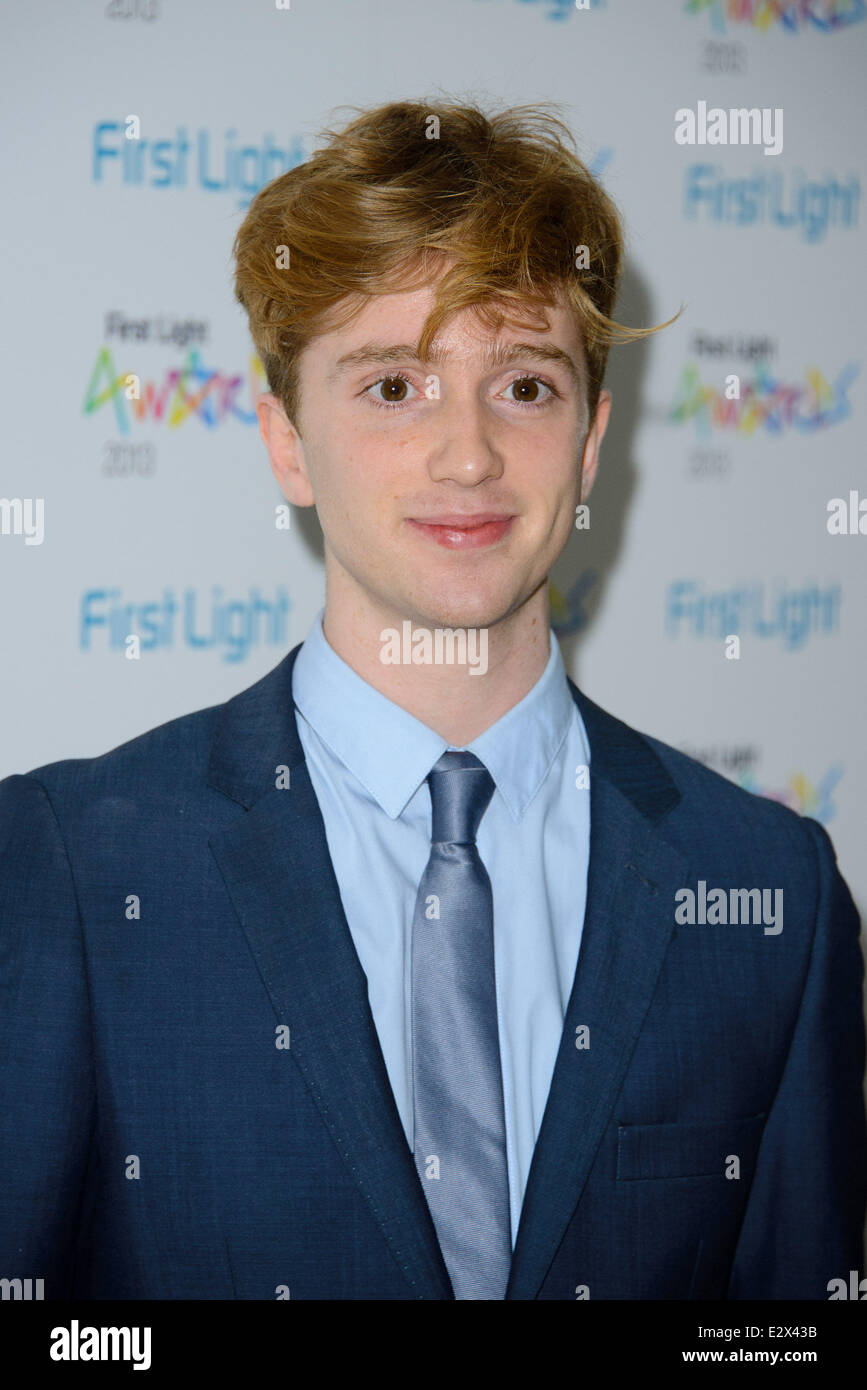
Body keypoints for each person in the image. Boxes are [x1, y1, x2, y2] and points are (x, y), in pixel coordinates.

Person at [1, 99, 864, 1301]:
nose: (467, 454)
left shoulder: (771, 887)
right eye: (395, 385)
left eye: (523, 385)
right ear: (286, 443)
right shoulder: (70, 867)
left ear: (591, 442)